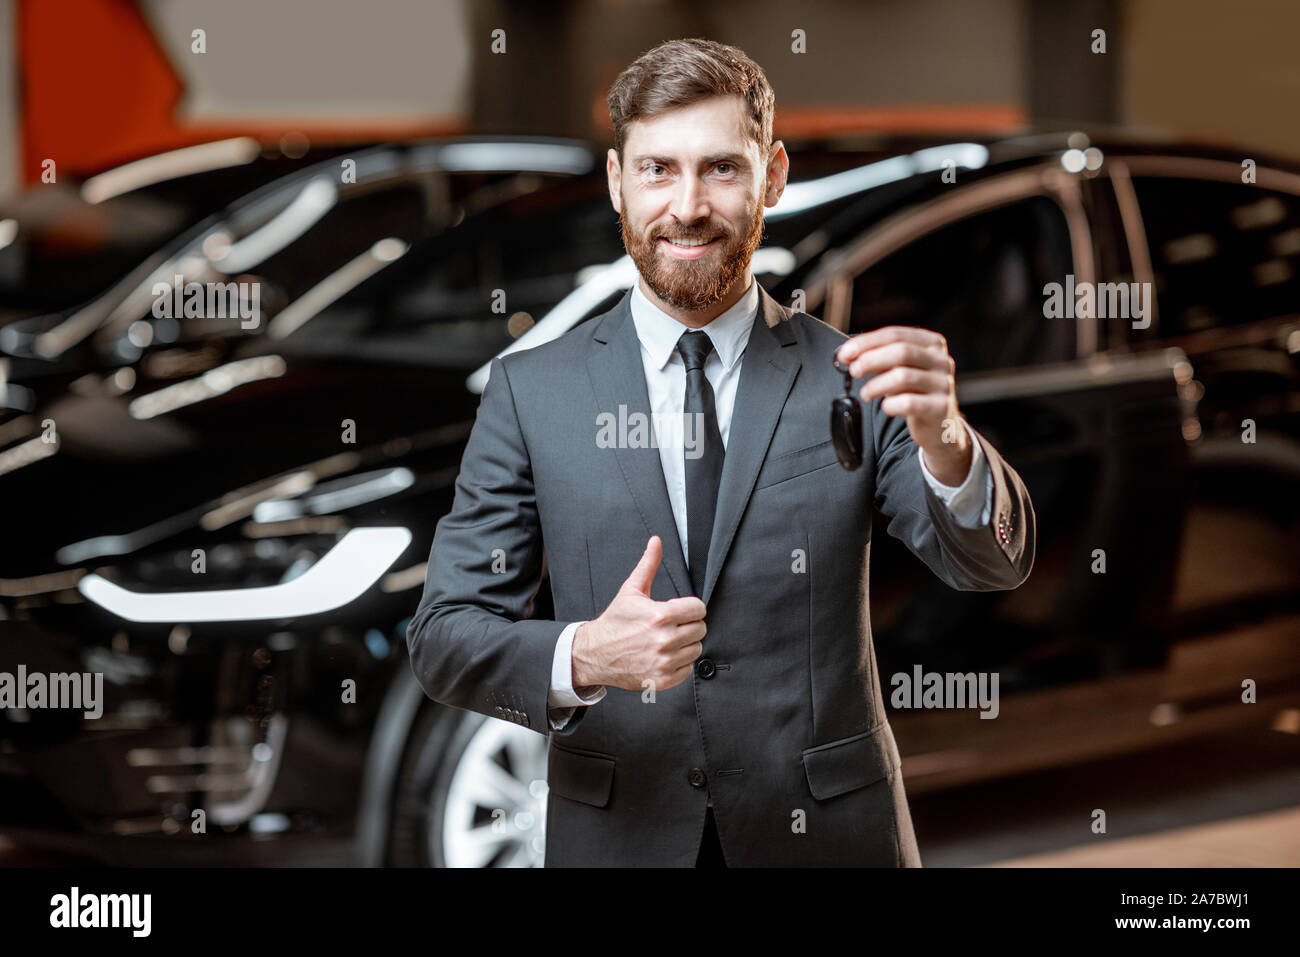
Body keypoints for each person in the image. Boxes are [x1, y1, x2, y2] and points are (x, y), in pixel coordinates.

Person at [406, 37, 1034, 867]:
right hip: (618, 839)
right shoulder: (532, 394)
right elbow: (445, 635)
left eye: (722, 169)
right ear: (617, 183)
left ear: (772, 175)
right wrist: (586, 654)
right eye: (658, 169)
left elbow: (990, 565)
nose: (689, 205)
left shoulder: (851, 376)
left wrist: (947, 440)